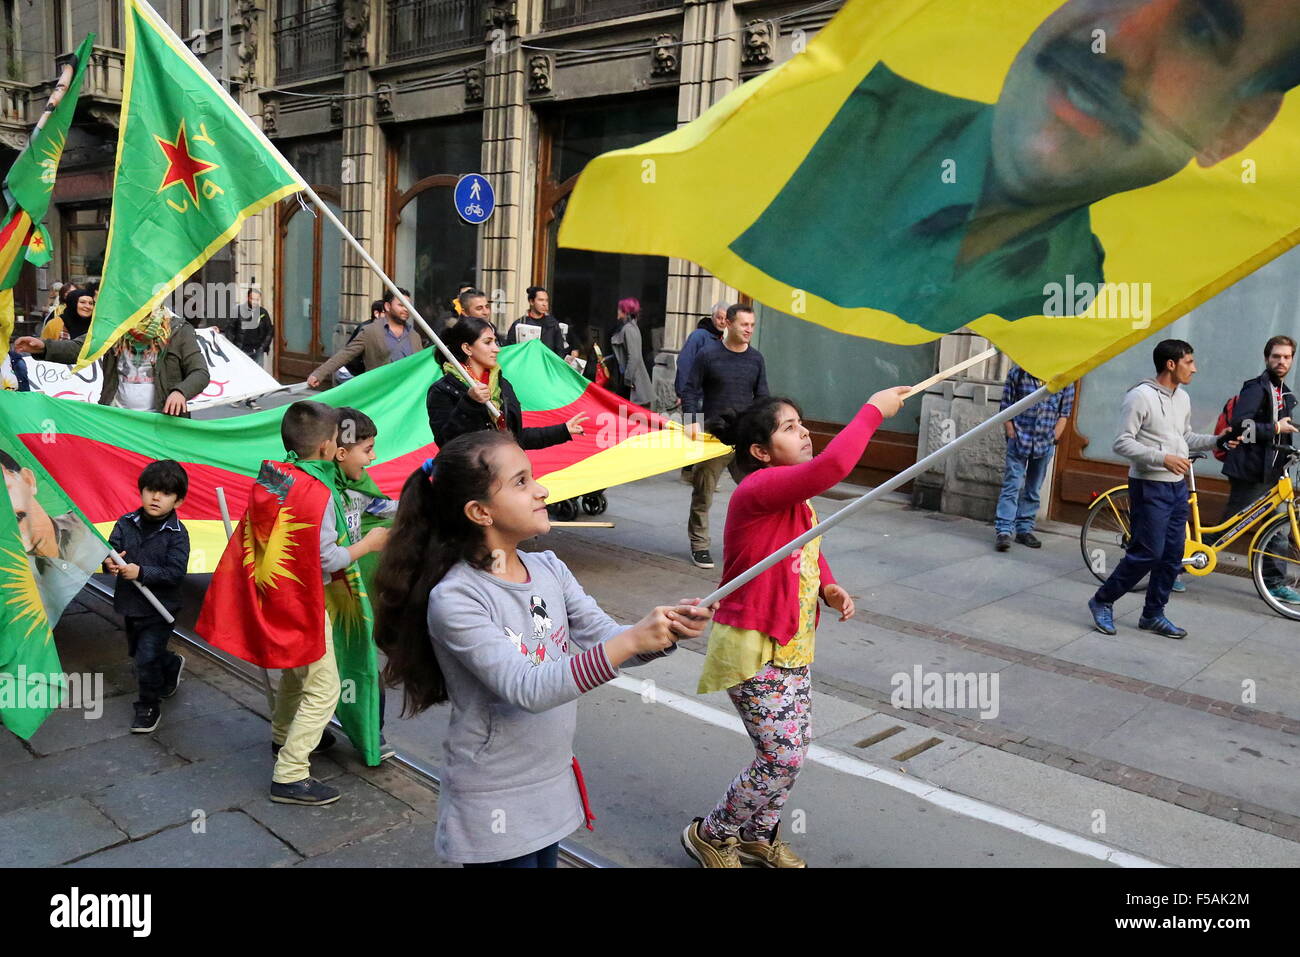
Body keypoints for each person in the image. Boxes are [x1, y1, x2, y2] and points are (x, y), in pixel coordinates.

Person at [730, 0, 1300, 334]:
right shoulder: (824, 134)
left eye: (1199, 28)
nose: (1112, 41)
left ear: (1238, 125)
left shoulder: (1084, 302)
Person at [371, 430, 714, 866]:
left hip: (551, 782)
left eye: (532, 477)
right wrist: (631, 639)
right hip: (493, 795)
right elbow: (528, 688)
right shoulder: (457, 597)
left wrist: (663, 630)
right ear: (479, 512)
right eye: (520, 482)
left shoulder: (549, 567)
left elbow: (604, 636)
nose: (542, 489)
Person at [683, 385, 909, 868]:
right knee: (779, 756)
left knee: (794, 749)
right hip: (751, 644)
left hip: (792, 642)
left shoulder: (794, 500)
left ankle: (758, 836)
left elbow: (805, 545)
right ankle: (712, 832)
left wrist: (828, 586)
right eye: (789, 427)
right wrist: (872, 411)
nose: (804, 431)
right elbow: (834, 468)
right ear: (761, 453)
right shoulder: (759, 488)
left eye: (801, 423)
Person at [1087, 339, 1233, 640]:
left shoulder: (1183, 398)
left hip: (1177, 488)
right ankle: (1102, 600)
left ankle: (1153, 613)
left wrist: (1217, 440)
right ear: (1171, 364)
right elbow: (1122, 442)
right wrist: (1162, 458)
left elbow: (1185, 437)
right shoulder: (1139, 396)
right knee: (1147, 553)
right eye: (1189, 362)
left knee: (1172, 555)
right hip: (1148, 485)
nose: (1195, 368)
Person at [331, 406, 400, 760]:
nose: (373, 458)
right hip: (326, 600)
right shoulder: (318, 491)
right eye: (367, 449)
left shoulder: (358, 483)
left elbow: (385, 508)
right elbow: (322, 556)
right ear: (341, 453)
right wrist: (367, 546)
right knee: (325, 671)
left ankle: (372, 730)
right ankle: (301, 733)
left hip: (353, 598)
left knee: (364, 663)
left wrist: (432, 502)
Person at [104, 460, 191, 734]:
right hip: (131, 605)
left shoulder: (178, 534)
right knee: (138, 652)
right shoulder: (125, 523)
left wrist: (141, 572)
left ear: (177, 501)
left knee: (145, 659)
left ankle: (148, 705)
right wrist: (108, 563)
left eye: (165, 493)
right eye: (151, 490)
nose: (156, 497)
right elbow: (110, 550)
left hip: (160, 609)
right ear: (141, 491)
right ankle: (171, 662)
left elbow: (175, 573)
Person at [681, 304, 769, 569]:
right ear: (728, 324)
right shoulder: (708, 355)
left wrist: (762, 431)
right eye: (744, 325)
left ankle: (754, 543)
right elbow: (690, 390)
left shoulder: (756, 359)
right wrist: (690, 422)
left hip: (745, 439)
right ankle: (700, 545)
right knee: (703, 494)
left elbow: (763, 397)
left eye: (752, 326)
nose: (749, 330)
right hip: (713, 437)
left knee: (756, 493)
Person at [426, 315, 587, 450]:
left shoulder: (502, 385)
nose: (497, 349)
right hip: (469, 479)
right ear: (467, 348)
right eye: (488, 342)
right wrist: (469, 403)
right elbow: (447, 442)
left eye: (495, 342)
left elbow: (515, 437)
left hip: (502, 475)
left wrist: (563, 430)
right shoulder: (443, 390)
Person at [15, 305, 210, 416]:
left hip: (163, 423)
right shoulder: (115, 327)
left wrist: (180, 392)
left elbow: (200, 373)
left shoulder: (178, 330)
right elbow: (80, 347)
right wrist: (44, 346)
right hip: (117, 419)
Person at [1223, 335, 1300, 603]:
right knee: (1227, 527)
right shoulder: (1256, 388)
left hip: (1275, 473)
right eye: (1276, 356)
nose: (1281, 361)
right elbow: (1240, 427)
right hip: (1250, 471)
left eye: (1287, 357)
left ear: (1292, 359)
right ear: (1267, 358)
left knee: (1277, 529)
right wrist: (1275, 428)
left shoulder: (1284, 392)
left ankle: (1275, 583)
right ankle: (1175, 566)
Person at [0, 447, 109, 623]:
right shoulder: (10, 577)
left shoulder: (92, 530)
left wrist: (108, 562)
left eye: (3, 489)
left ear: (28, 480)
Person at [995, 363, 1075, 550]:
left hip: (1044, 441)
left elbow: (1064, 413)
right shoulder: (1018, 371)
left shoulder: (1064, 377)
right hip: (1019, 437)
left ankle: (1024, 529)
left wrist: (1055, 436)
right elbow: (1006, 405)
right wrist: (1010, 430)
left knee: (1033, 488)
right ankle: (1004, 531)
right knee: (1012, 485)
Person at [307, 287, 426, 388]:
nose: (406, 309)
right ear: (387, 306)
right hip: (379, 393)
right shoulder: (371, 331)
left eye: (408, 306)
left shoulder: (414, 336)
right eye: (401, 305)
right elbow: (345, 354)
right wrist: (319, 374)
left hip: (407, 394)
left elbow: (421, 365)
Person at [674, 301, 729, 405]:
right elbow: (684, 363)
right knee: (692, 421)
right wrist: (682, 393)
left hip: (710, 399)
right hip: (695, 397)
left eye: (725, 319)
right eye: (719, 318)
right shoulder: (698, 336)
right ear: (712, 317)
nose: (722, 322)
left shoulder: (721, 339)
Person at [504, 286, 567, 357]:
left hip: (546, 364)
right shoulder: (520, 323)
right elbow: (510, 349)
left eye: (546, 300)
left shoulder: (553, 324)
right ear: (531, 302)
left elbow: (560, 350)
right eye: (541, 300)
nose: (545, 304)